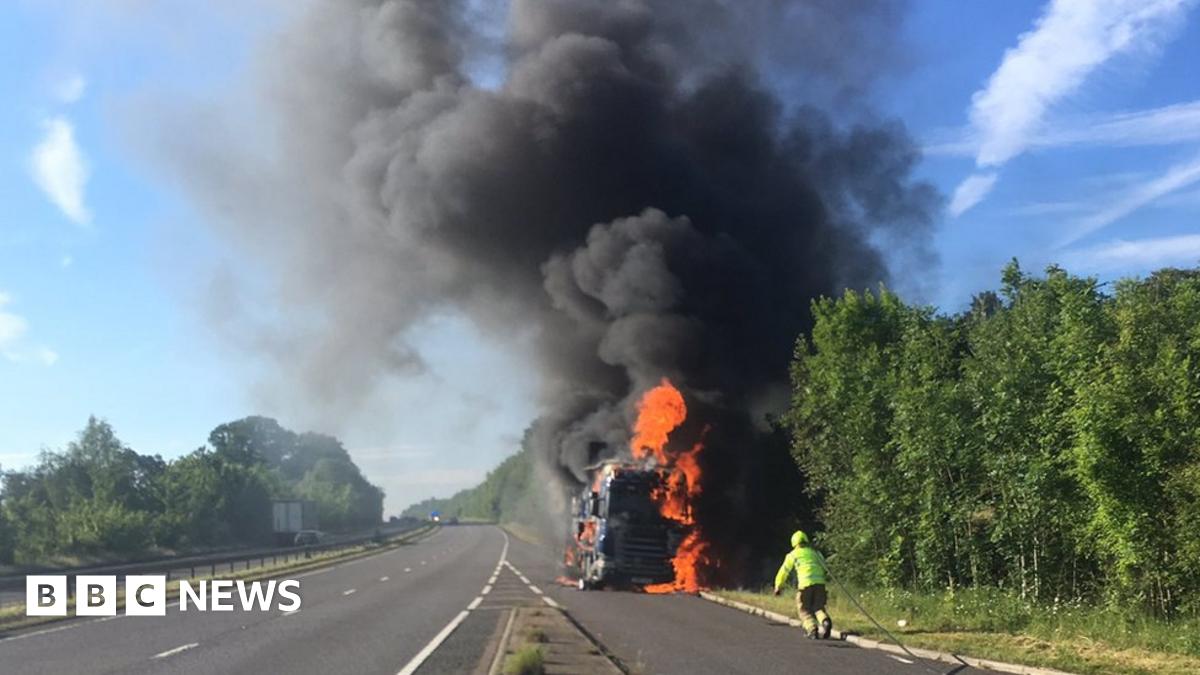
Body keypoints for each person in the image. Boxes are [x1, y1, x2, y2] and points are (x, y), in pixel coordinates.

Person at [773, 530, 832, 639]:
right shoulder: (816, 553)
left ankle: (812, 629)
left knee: (804, 609)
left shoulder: (792, 555)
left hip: (805, 586)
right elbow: (825, 568)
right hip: (820, 584)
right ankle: (825, 621)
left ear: (794, 543)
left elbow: (784, 571)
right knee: (819, 608)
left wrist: (778, 586)